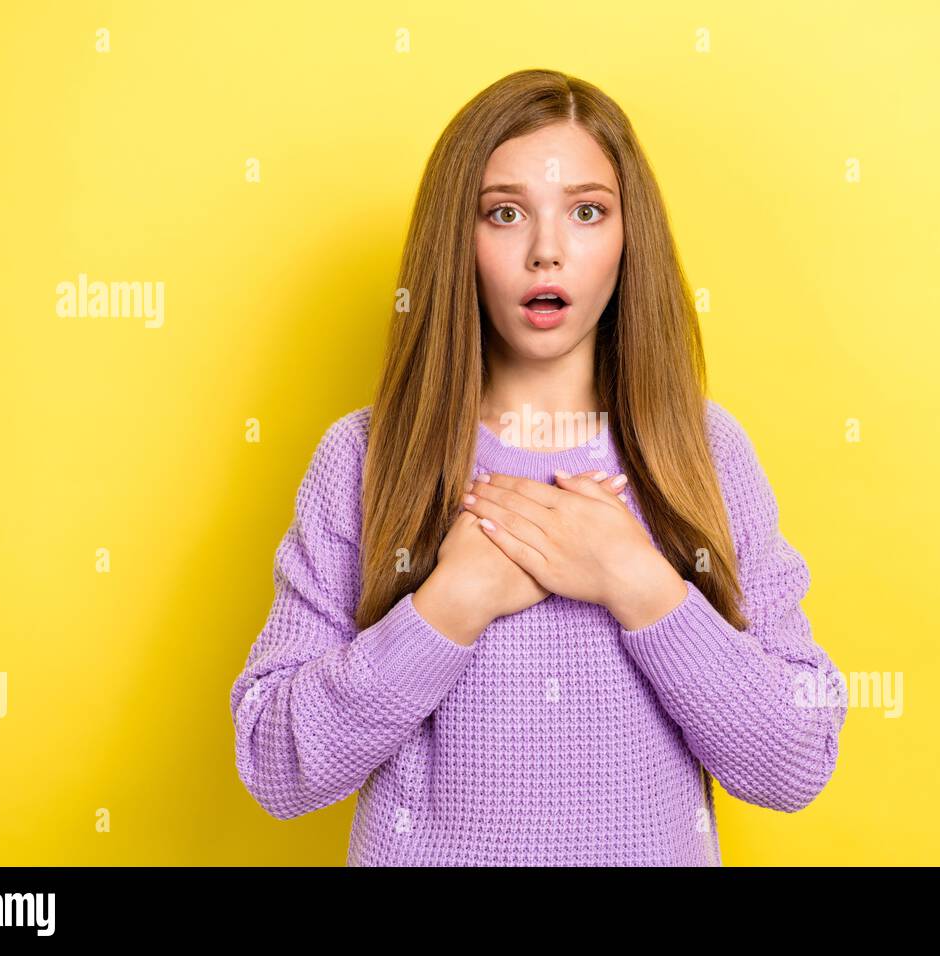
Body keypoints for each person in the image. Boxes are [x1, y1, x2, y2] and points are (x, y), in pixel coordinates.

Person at [229, 68, 847, 866]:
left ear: (629, 241)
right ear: (460, 237)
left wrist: (642, 585)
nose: (546, 251)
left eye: (586, 211)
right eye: (506, 212)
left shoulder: (706, 451)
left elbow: (798, 760)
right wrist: (447, 606)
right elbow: (274, 769)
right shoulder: (364, 457)